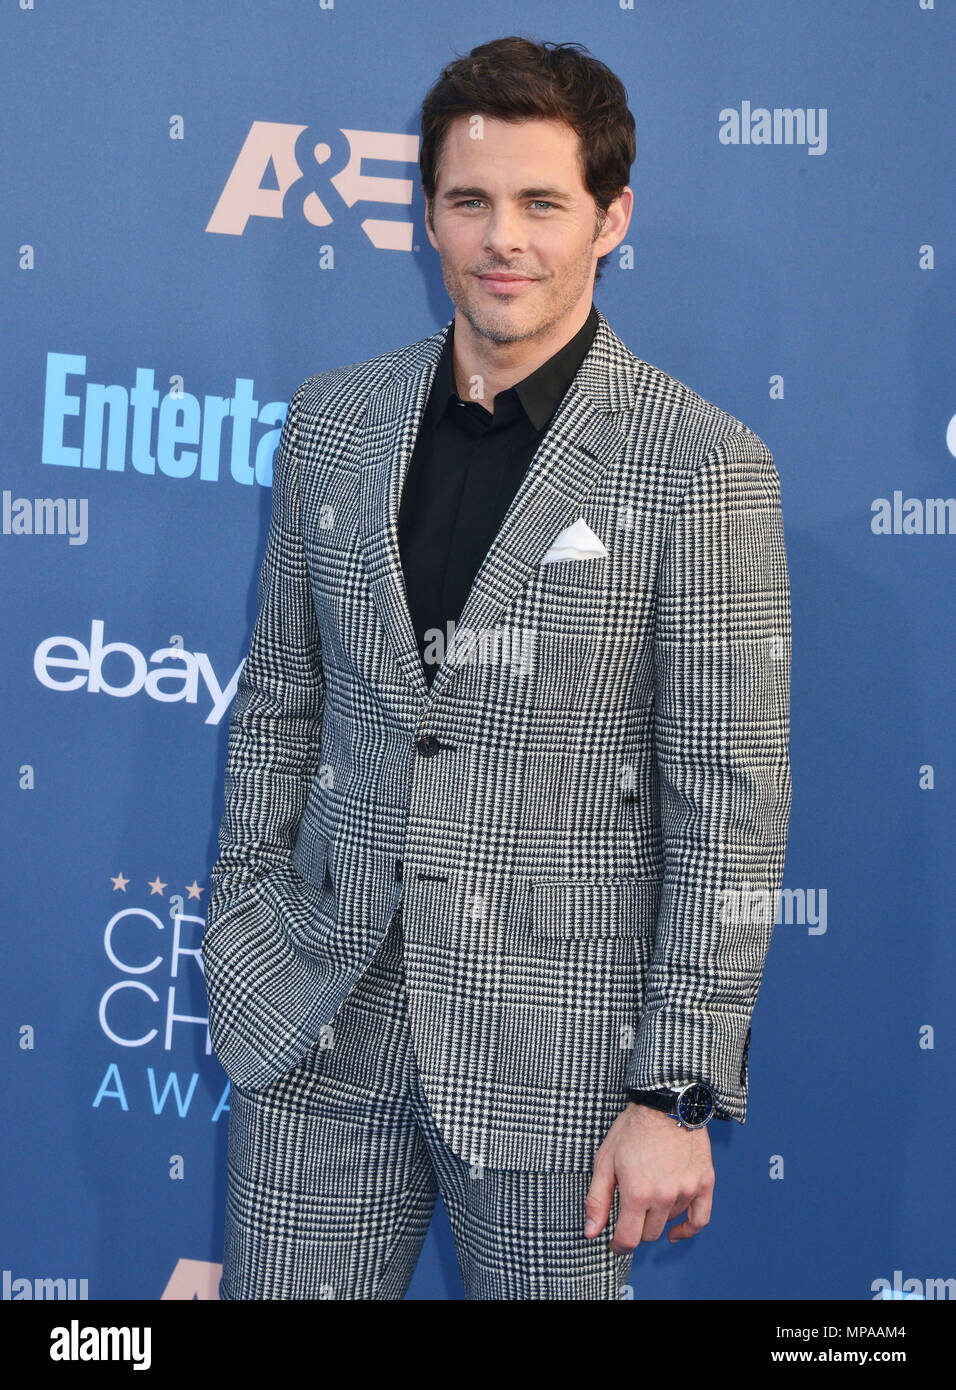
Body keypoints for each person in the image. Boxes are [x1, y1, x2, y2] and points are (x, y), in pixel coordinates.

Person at [203, 35, 792, 1301]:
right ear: (425, 214)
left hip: (560, 1063)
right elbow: (279, 707)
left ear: (609, 219)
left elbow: (730, 802)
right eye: (468, 201)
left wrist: (673, 1088)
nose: (500, 239)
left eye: (540, 203)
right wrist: (246, 924)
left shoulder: (699, 464)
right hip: (320, 1016)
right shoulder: (333, 420)